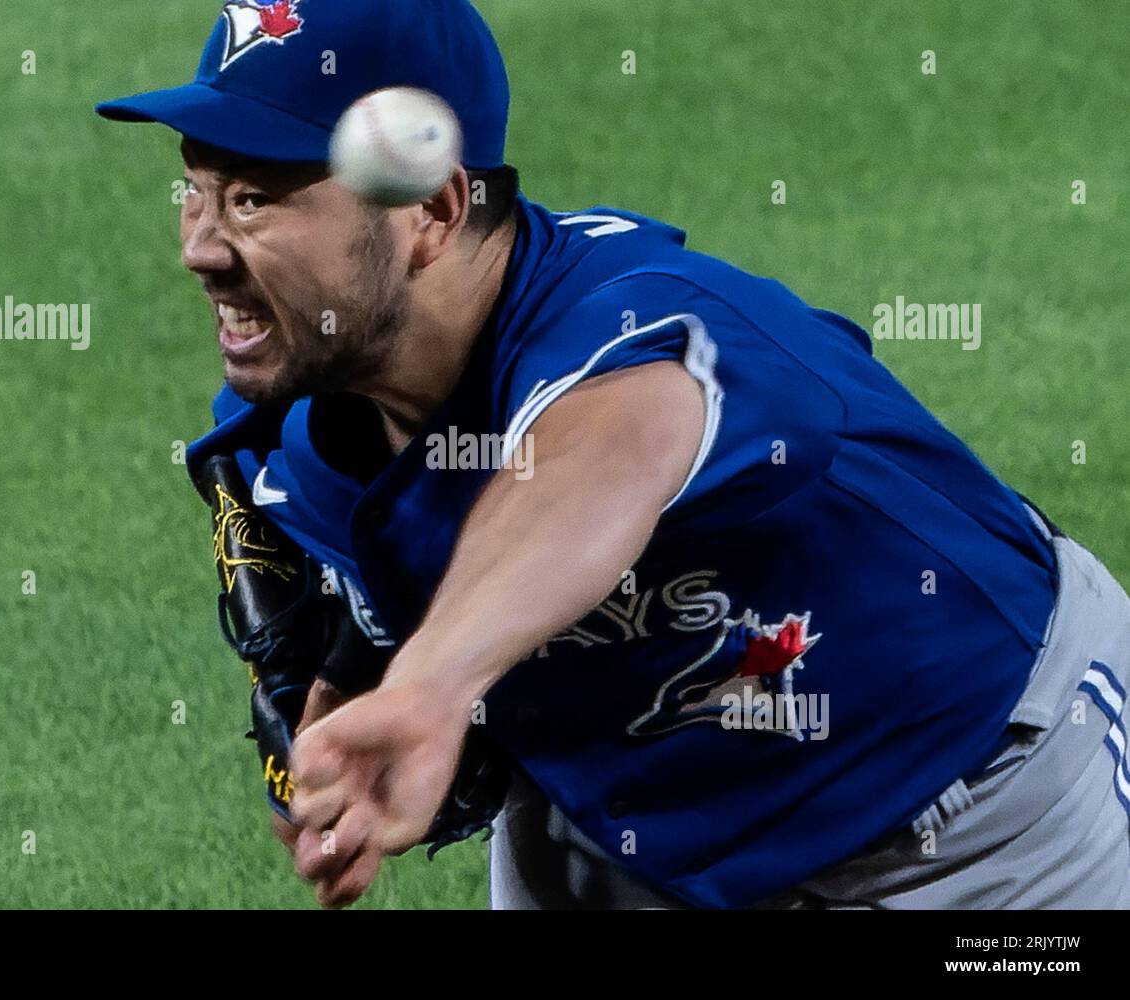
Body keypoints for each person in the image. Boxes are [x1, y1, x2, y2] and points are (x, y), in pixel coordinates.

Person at [97, 0, 1130, 909]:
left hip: (986, 807)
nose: (199, 245)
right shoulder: (303, 432)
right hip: (643, 844)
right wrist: (365, 687)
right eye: (196, 189)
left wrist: (430, 682)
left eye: (257, 199)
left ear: (432, 211)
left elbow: (612, 450)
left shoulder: (634, 318)